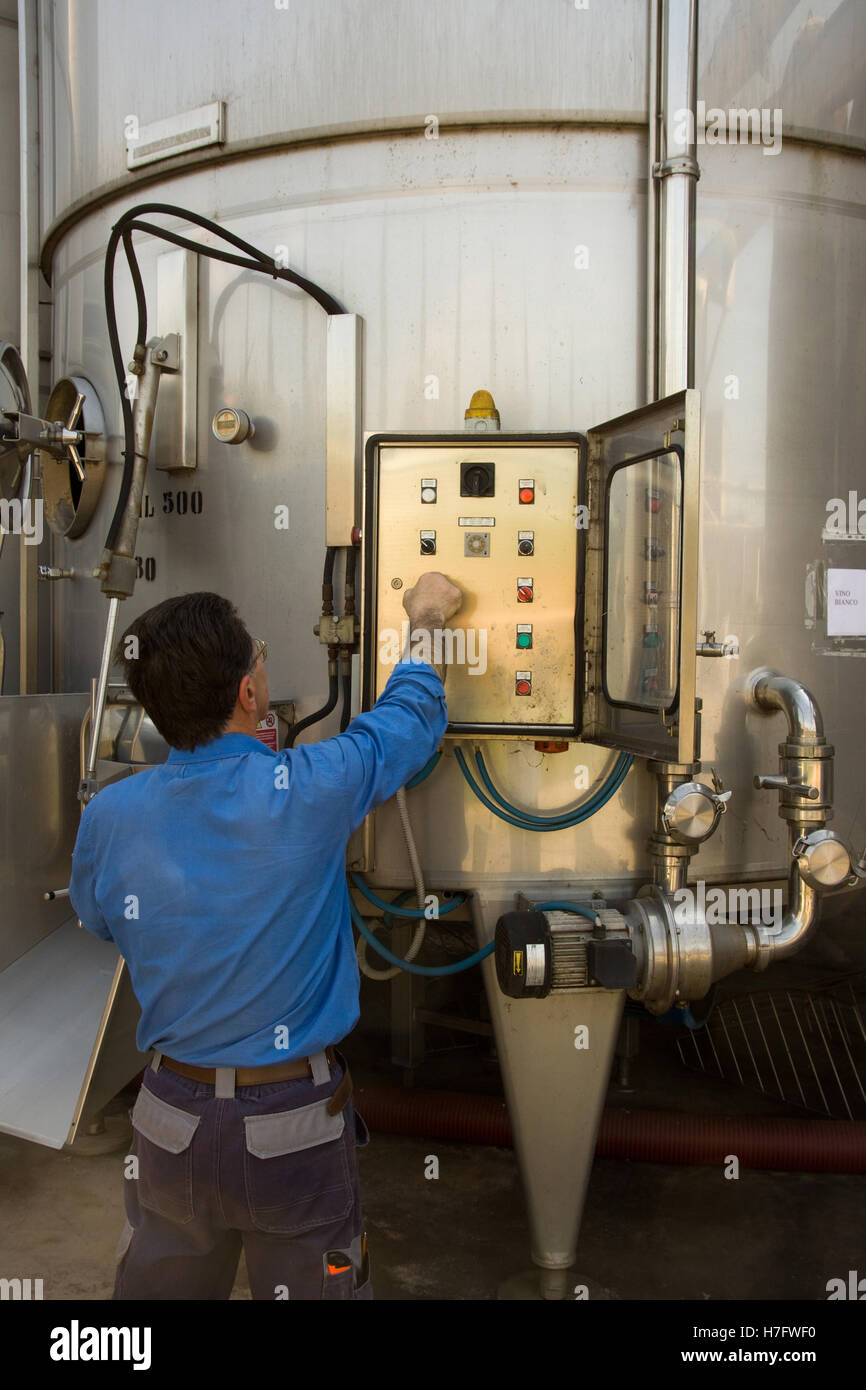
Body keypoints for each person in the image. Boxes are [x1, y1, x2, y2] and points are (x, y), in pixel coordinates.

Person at [69, 569, 463, 1301]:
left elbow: (98, 921)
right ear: (249, 696)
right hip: (293, 1127)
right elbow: (407, 721)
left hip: (166, 1119)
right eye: (262, 657)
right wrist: (429, 616)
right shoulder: (312, 788)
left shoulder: (112, 814)